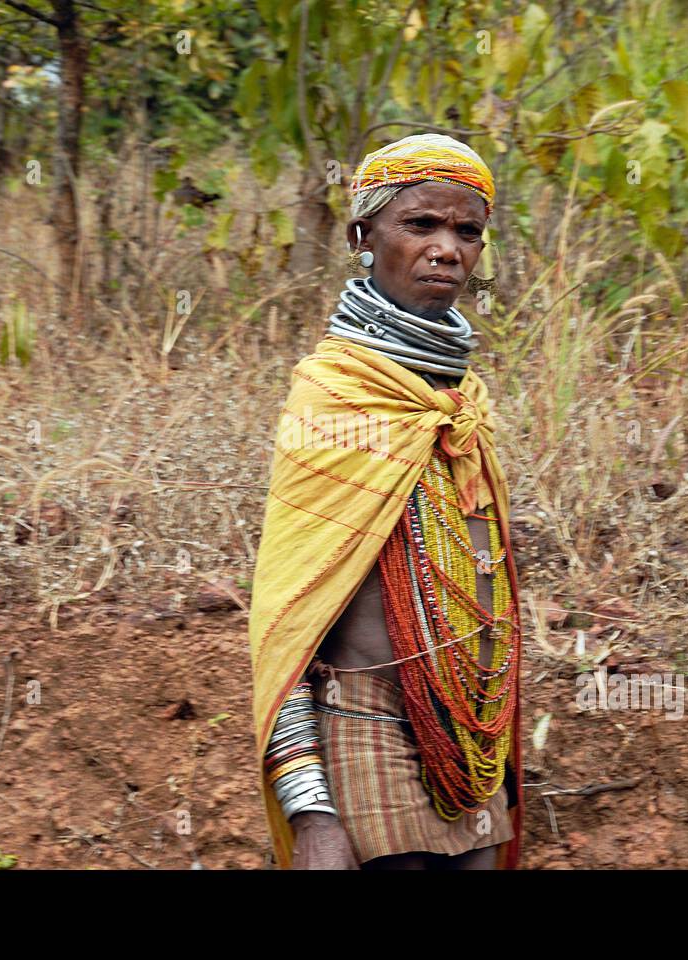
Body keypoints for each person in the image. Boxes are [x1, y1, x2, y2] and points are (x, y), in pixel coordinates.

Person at [248, 134, 523, 870]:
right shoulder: (334, 397)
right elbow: (287, 623)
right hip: (365, 726)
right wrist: (311, 815)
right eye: (421, 225)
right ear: (361, 238)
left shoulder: (463, 406)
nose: (447, 250)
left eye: (468, 232)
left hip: (470, 737)